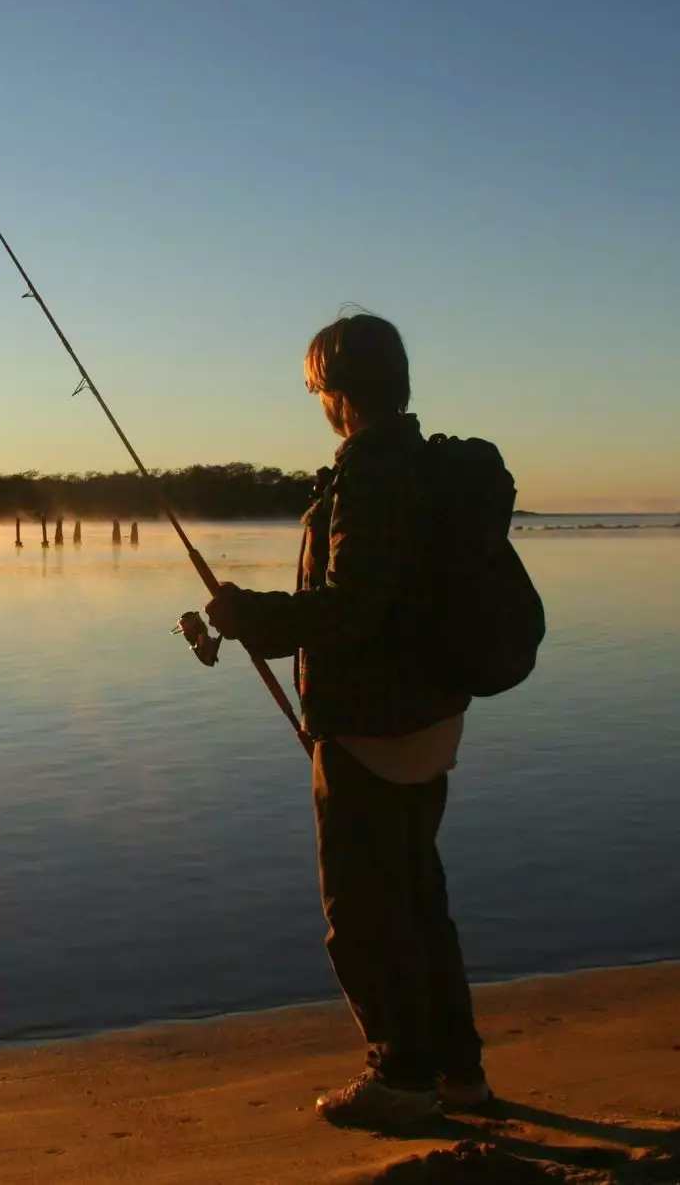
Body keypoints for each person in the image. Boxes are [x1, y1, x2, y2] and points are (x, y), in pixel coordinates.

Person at [204, 311, 491, 1132]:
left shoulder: (372, 472)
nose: (318, 404)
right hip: (430, 718)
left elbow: (354, 606)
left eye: (316, 388)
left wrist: (248, 614)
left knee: (365, 913)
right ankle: (458, 1071)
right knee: (420, 899)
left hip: (372, 724)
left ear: (337, 389)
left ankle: (401, 1075)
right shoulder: (427, 466)